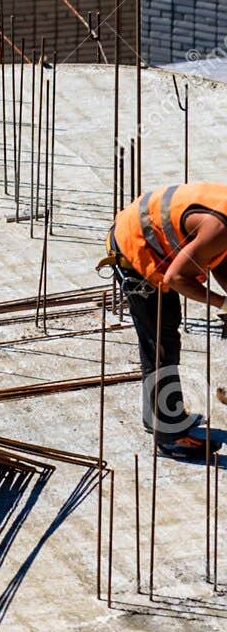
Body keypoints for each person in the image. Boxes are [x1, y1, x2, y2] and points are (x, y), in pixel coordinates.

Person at [100, 183, 227, 460]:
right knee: (160, 342)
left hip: (155, 242)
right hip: (135, 250)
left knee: (164, 336)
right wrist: (224, 304)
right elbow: (176, 278)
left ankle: (157, 416)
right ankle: (170, 438)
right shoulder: (220, 229)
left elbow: (219, 261)